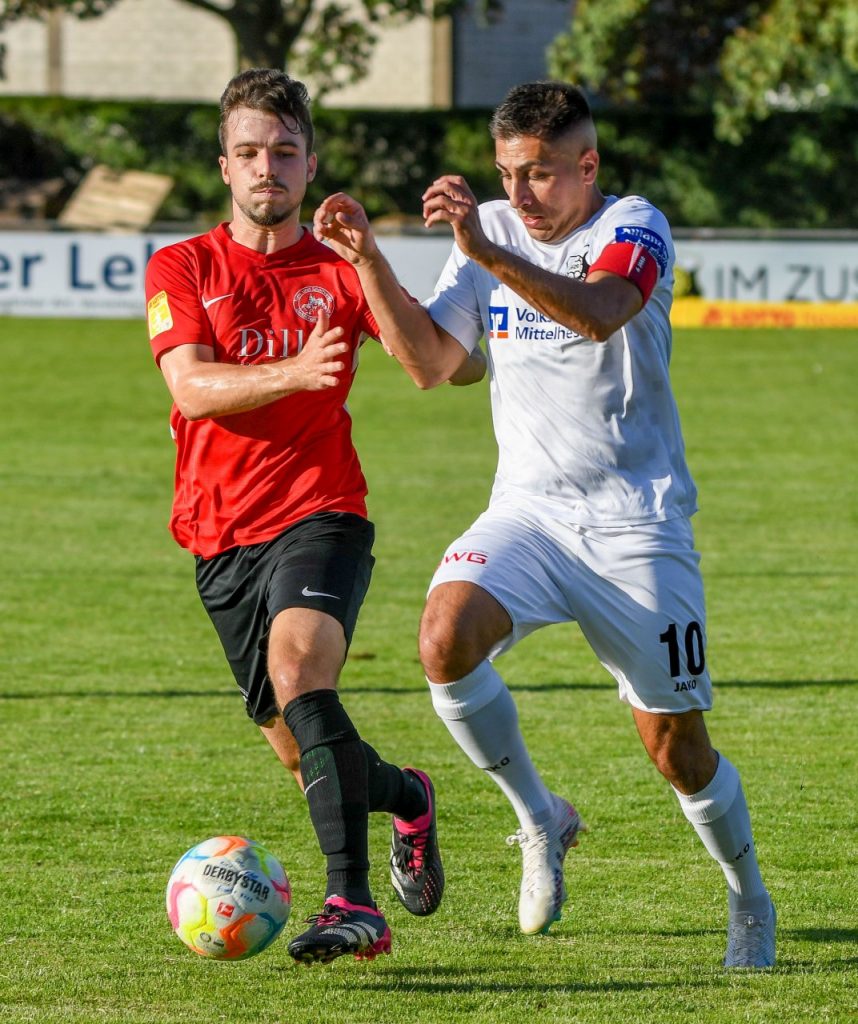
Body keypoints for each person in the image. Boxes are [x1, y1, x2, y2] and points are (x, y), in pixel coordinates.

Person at [401, 81, 774, 969]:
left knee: (676, 750)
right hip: (527, 510)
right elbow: (431, 365)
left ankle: (748, 898)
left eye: (538, 175)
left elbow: (603, 313)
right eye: (506, 174)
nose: (520, 195)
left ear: (587, 166)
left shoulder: (635, 226)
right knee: (443, 636)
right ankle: (541, 817)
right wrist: (365, 258)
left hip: (635, 528)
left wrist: (485, 249)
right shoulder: (491, 229)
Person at [143, 68, 469, 966]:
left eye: (285, 151)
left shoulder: (337, 265)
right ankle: (409, 796)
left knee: (299, 671)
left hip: (323, 511)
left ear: (310, 161)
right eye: (250, 151)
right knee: (304, 751)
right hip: (219, 539)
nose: (268, 167)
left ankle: (350, 903)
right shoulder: (183, 266)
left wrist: (368, 257)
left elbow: (432, 364)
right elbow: (191, 386)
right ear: (224, 166)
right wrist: (294, 372)